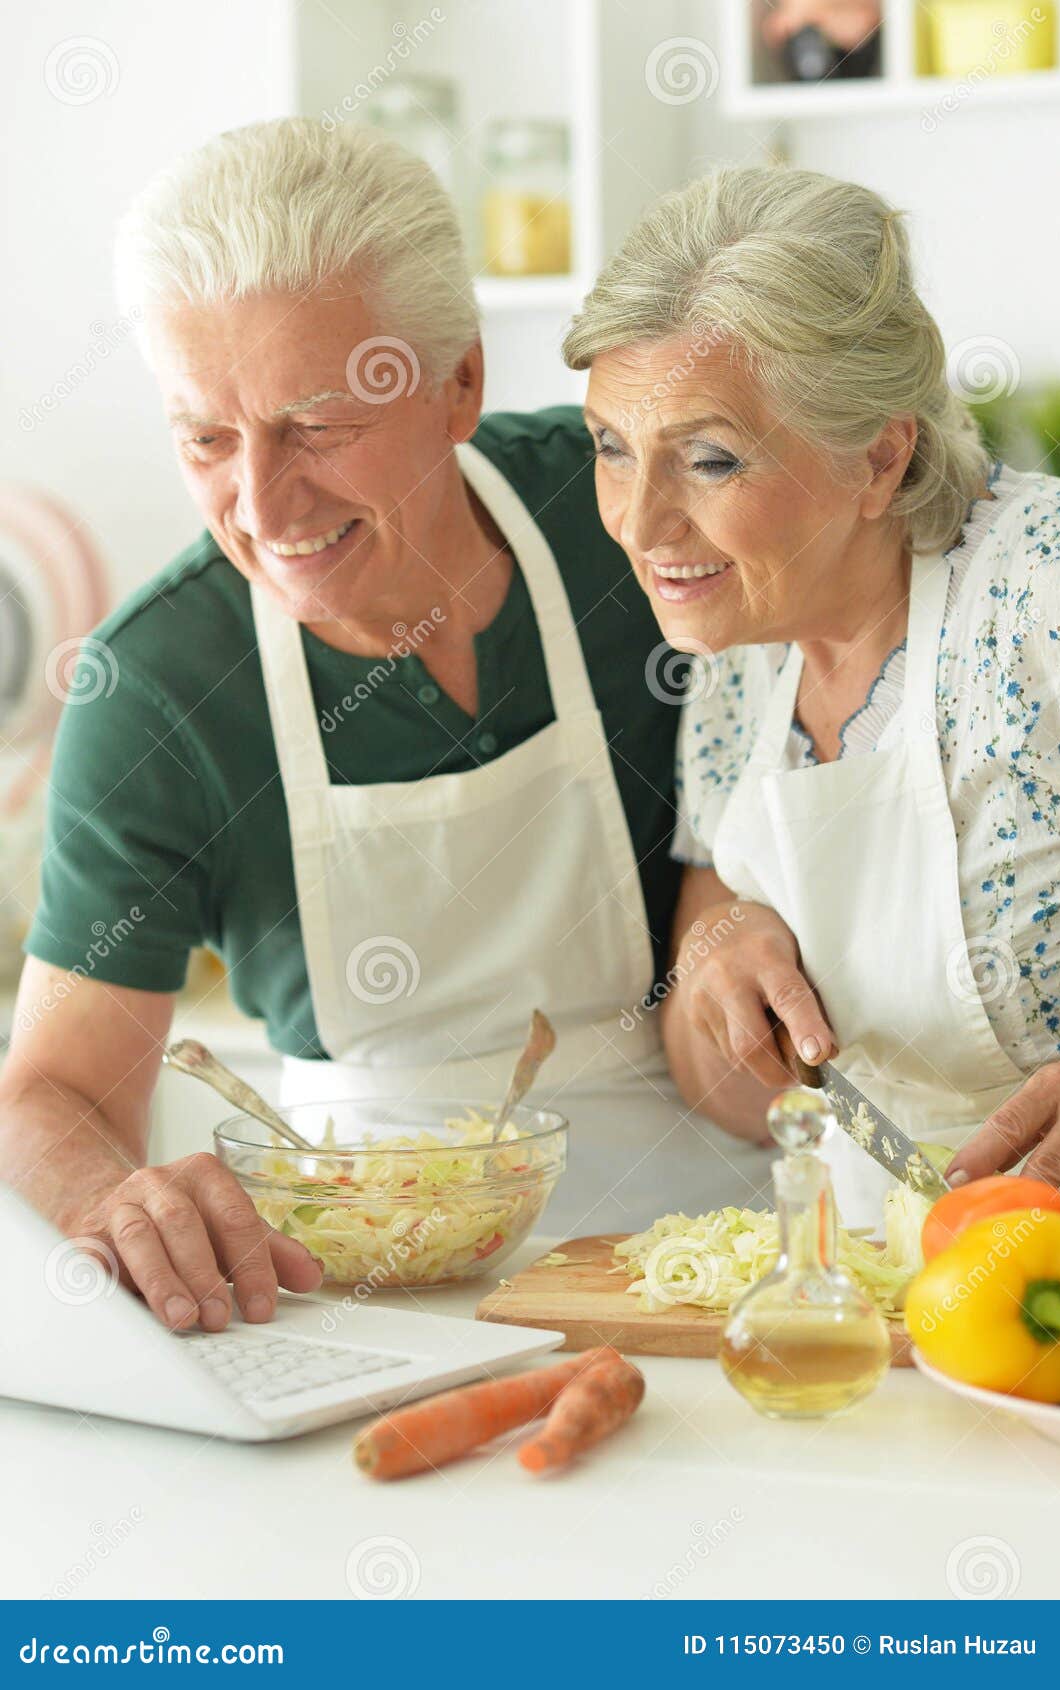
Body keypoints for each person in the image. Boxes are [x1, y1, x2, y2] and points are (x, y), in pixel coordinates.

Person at [0, 120, 771, 1332]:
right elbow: (51, 1092)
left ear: (457, 381)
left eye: (318, 426)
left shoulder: (620, 514)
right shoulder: (155, 689)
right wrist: (118, 1194)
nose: (261, 503)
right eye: (205, 437)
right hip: (370, 1291)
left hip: (714, 1250)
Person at [562, 163, 1060, 1224]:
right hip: (890, 1293)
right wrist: (719, 954)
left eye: (709, 459)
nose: (641, 526)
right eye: (612, 448)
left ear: (879, 458)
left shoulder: (1042, 592)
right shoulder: (740, 642)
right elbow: (725, 1082)